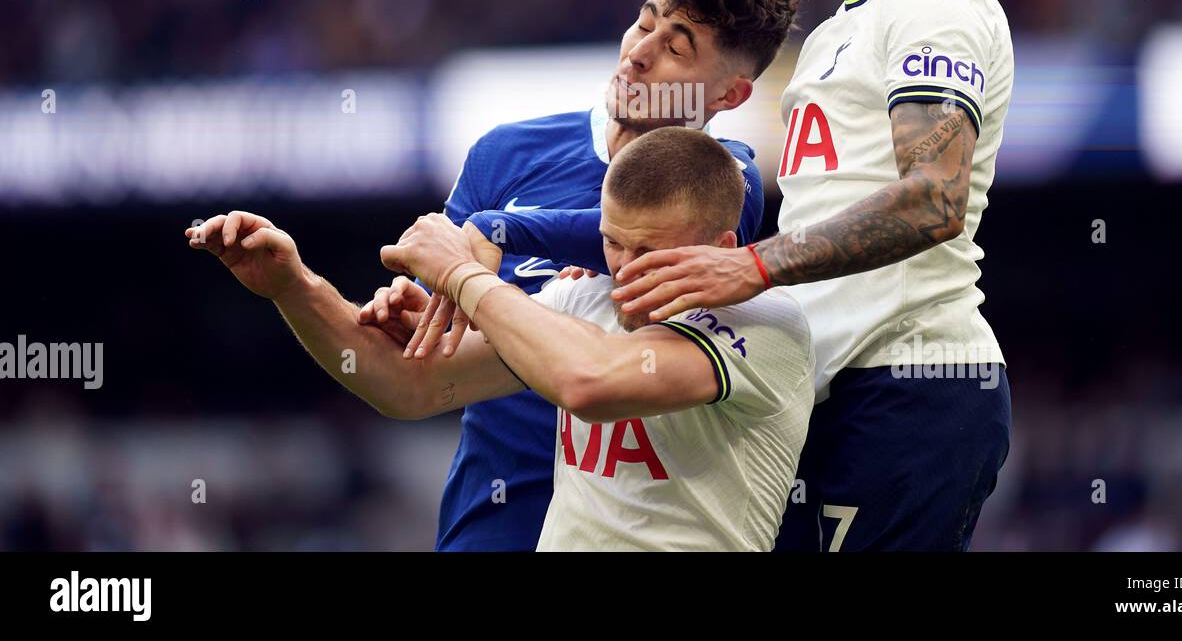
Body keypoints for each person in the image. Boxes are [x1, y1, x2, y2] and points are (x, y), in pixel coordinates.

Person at [188, 0, 806, 551]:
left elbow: (644, 255)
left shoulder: (724, 181)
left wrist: (491, 238)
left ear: (730, 93)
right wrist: (308, 288)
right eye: (643, 23)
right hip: (492, 523)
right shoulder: (508, 155)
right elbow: (414, 369)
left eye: (677, 48)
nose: (639, 54)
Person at [610, 0, 1014, 551]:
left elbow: (933, 200)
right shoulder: (832, 33)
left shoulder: (937, 0)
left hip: (911, 386)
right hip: (830, 392)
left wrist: (752, 270)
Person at [190, 127, 814, 551]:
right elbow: (411, 386)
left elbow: (589, 381)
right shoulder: (581, 297)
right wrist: (293, 286)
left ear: (722, 247)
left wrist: (462, 277)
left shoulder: (765, 326)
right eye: (612, 242)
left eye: (648, 251)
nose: (622, 269)